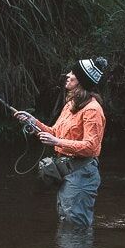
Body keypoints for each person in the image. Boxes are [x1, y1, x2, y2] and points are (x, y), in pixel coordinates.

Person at [14, 57, 108, 228]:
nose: (68, 75)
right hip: (67, 172)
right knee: (67, 221)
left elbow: (91, 147)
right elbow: (54, 132)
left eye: (73, 73)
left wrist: (57, 141)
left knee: (76, 225)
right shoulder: (71, 104)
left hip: (82, 174)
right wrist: (32, 121)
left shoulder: (93, 110)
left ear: (81, 81)